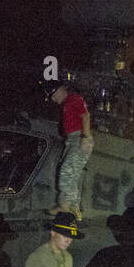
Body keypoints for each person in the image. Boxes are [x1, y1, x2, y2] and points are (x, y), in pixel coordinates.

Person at [46, 82, 92, 218]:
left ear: (60, 90)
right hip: (72, 140)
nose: (54, 100)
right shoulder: (67, 103)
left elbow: (86, 116)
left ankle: (68, 207)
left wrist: (85, 137)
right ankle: (70, 207)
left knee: (67, 172)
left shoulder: (74, 99)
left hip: (79, 138)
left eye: (53, 95)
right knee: (68, 173)